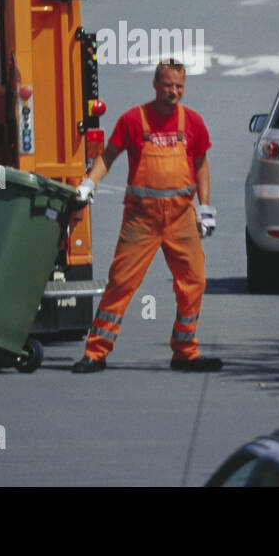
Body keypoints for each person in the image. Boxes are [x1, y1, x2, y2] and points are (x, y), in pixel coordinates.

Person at [71, 59, 221, 373]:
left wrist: (204, 209)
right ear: (155, 85)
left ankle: (185, 350)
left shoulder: (193, 122)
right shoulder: (133, 119)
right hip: (141, 220)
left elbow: (202, 165)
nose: (174, 92)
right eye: (168, 86)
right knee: (121, 283)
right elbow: (108, 156)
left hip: (181, 218)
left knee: (194, 281)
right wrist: (89, 183)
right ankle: (96, 352)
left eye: (179, 86)